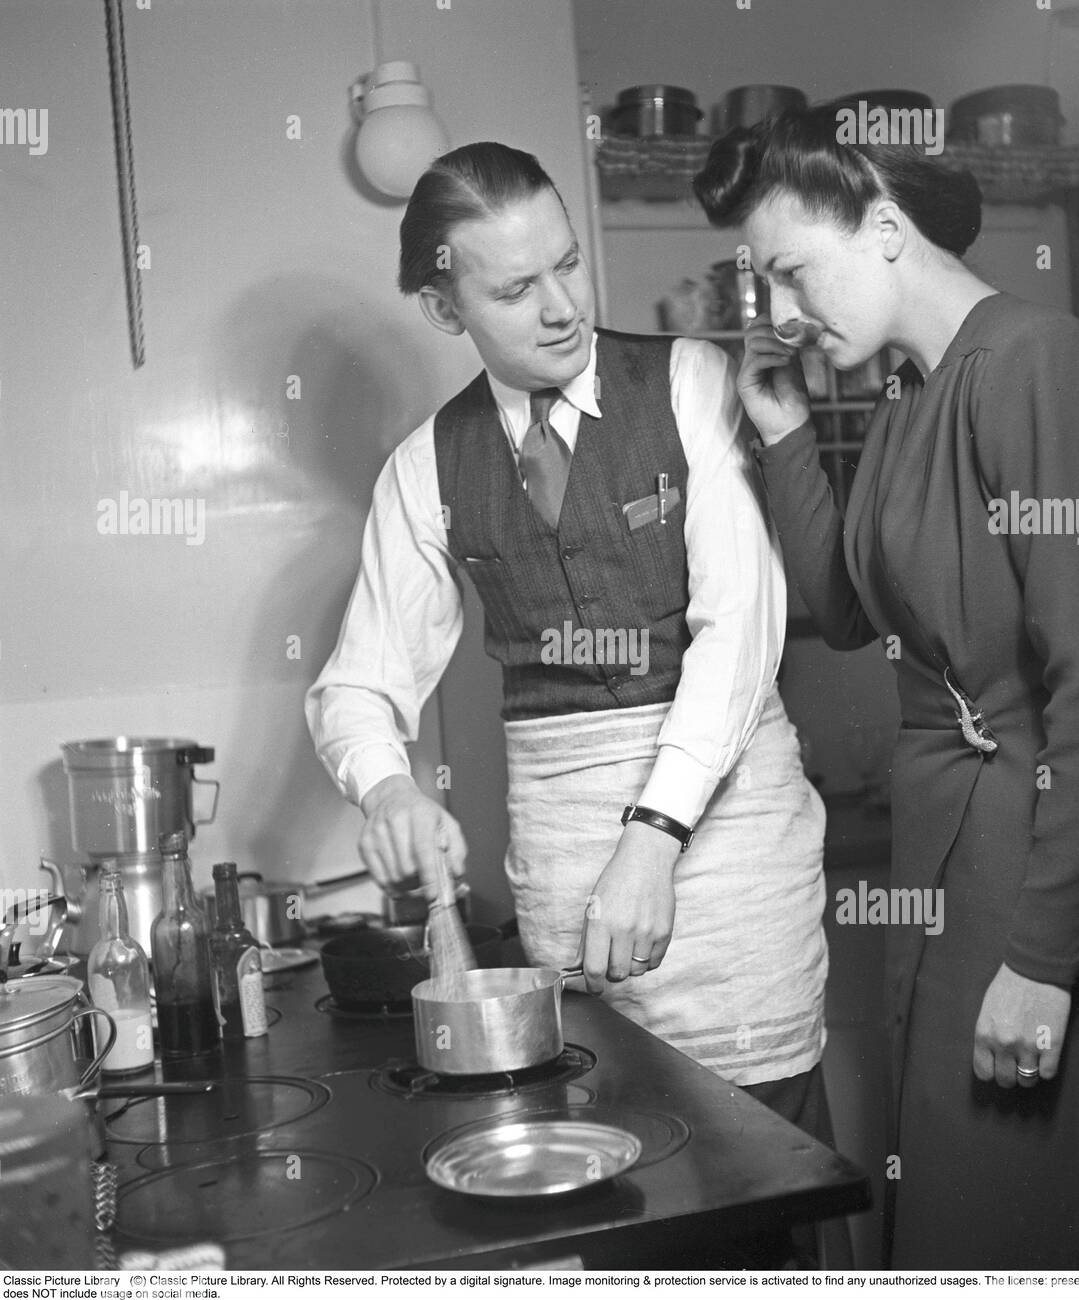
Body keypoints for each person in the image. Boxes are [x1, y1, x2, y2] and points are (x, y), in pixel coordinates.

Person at [693, 108, 1079, 1270]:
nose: (782, 311)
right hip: (946, 858)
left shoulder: (1036, 359)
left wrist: (1043, 960)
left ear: (880, 225)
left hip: (1039, 860)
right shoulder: (913, 392)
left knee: (1041, 1209)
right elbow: (849, 605)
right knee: (961, 1201)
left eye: (789, 271)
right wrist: (784, 439)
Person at [306, 143, 837, 1171]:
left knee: (768, 1171)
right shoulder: (426, 468)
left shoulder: (692, 381)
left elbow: (740, 631)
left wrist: (653, 836)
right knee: (614, 1168)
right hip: (565, 865)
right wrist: (389, 793)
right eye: (515, 288)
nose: (560, 308)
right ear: (445, 307)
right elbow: (357, 686)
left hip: (729, 856)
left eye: (569, 265)